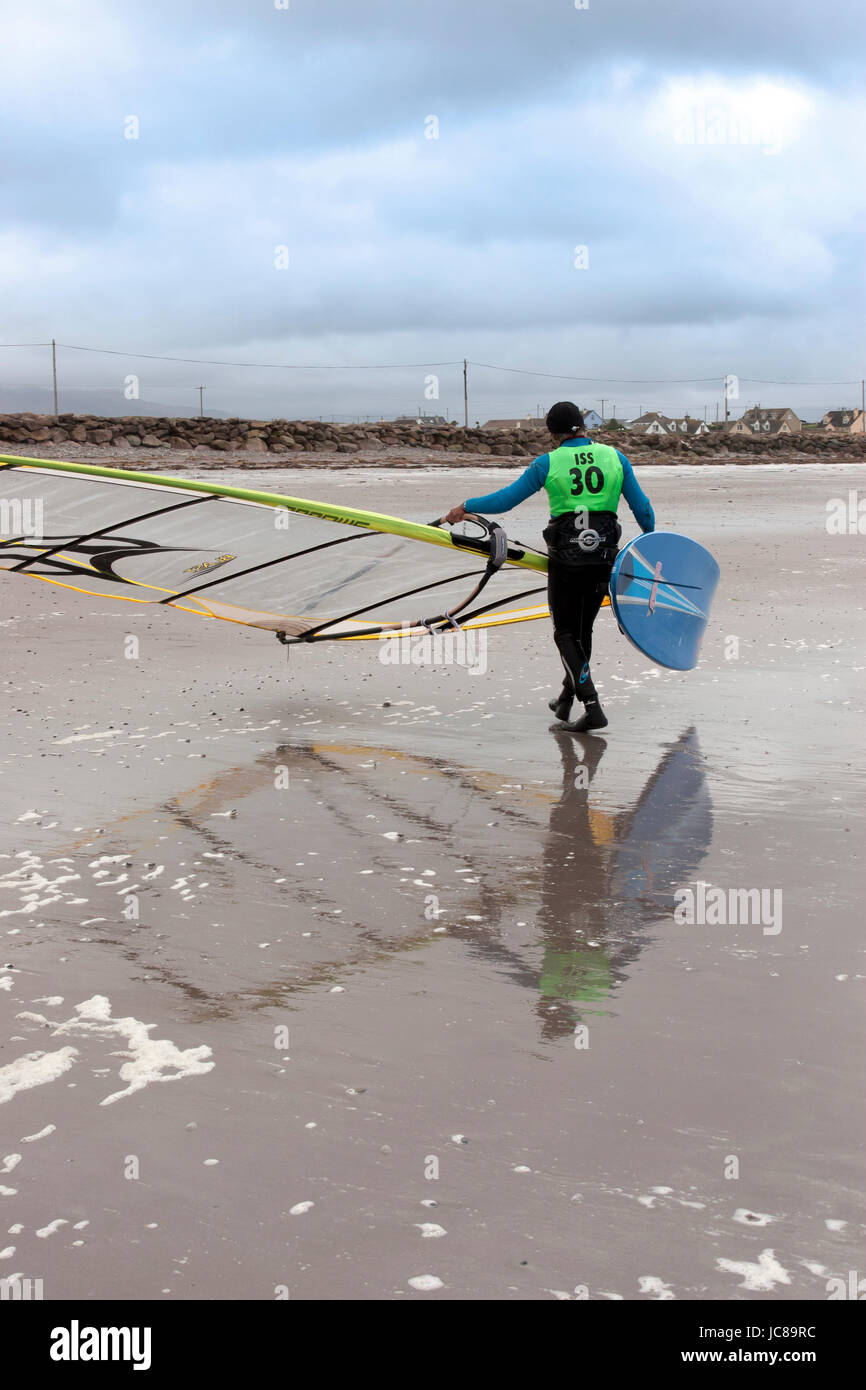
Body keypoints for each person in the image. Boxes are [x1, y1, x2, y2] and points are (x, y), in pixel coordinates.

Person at [445, 401, 655, 732]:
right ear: (583, 427)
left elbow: (505, 501)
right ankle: (566, 701)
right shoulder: (616, 458)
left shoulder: (547, 463)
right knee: (581, 630)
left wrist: (465, 507)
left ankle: (593, 707)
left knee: (565, 632)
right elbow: (642, 509)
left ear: (552, 434)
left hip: (567, 558)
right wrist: (653, 547)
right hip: (604, 557)